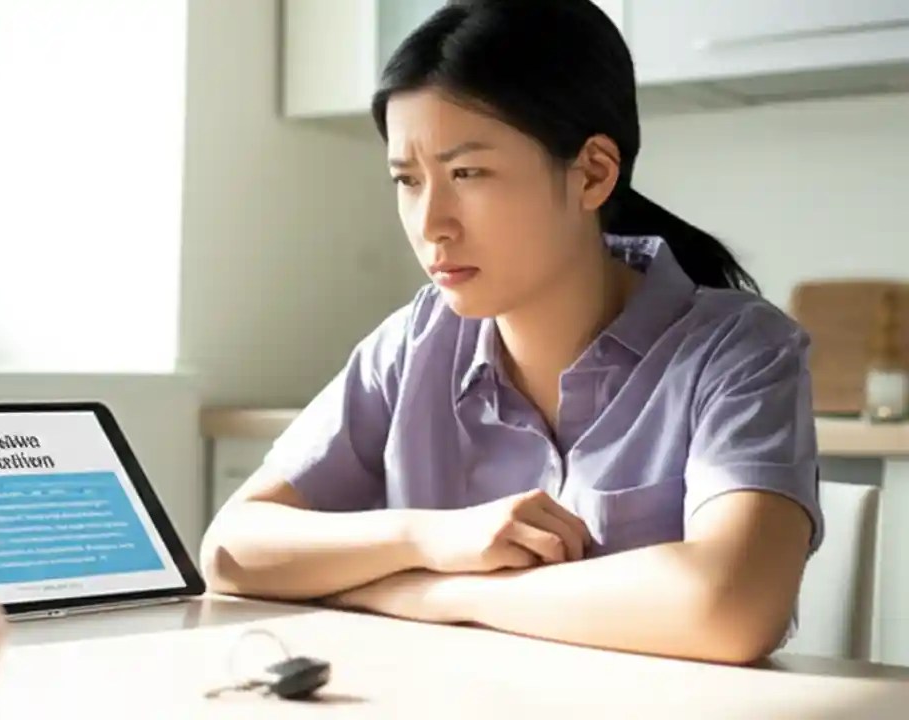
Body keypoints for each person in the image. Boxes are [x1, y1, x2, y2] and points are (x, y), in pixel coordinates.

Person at [198, 0, 823, 665]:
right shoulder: (413, 344)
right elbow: (231, 550)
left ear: (592, 173)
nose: (431, 222)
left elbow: (729, 607)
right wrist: (430, 539)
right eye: (407, 180)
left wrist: (441, 596)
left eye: (467, 173)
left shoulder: (740, 350)